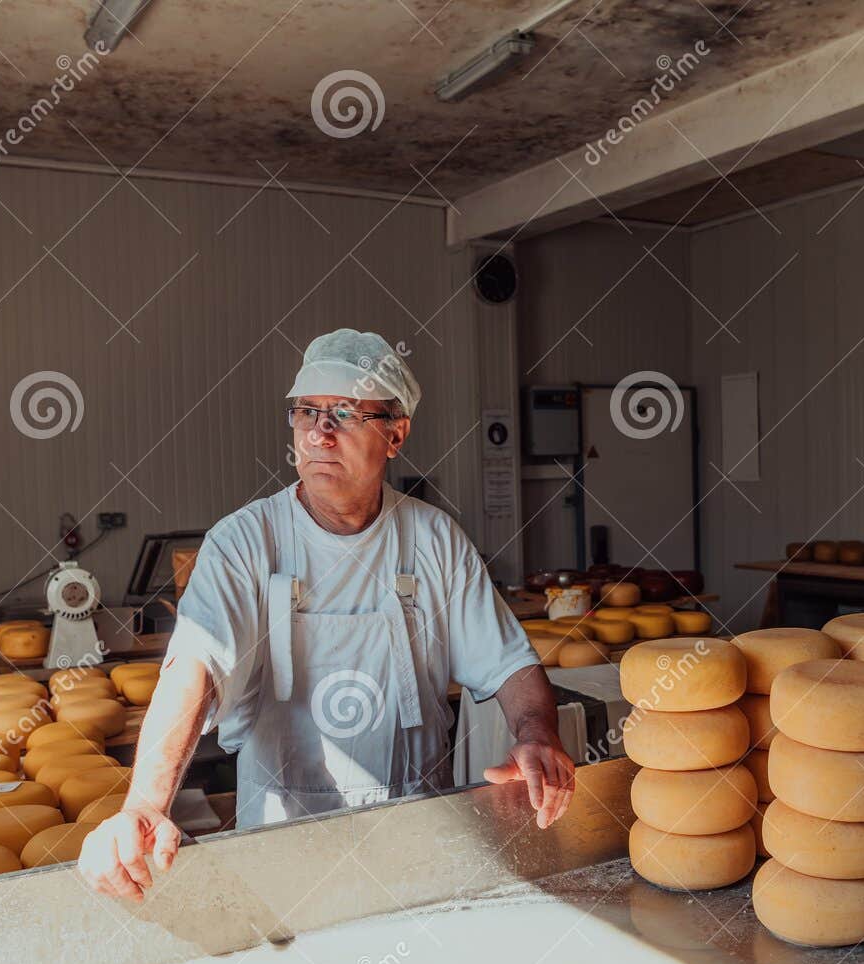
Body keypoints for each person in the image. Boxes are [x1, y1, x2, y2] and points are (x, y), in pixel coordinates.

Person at [80, 329, 575, 901]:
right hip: (282, 848)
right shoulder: (246, 540)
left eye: (344, 413)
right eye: (306, 412)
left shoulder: (435, 539)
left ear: (395, 434)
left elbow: (509, 663)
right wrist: (145, 802)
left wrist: (537, 734)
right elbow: (195, 666)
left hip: (416, 839)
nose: (319, 433)